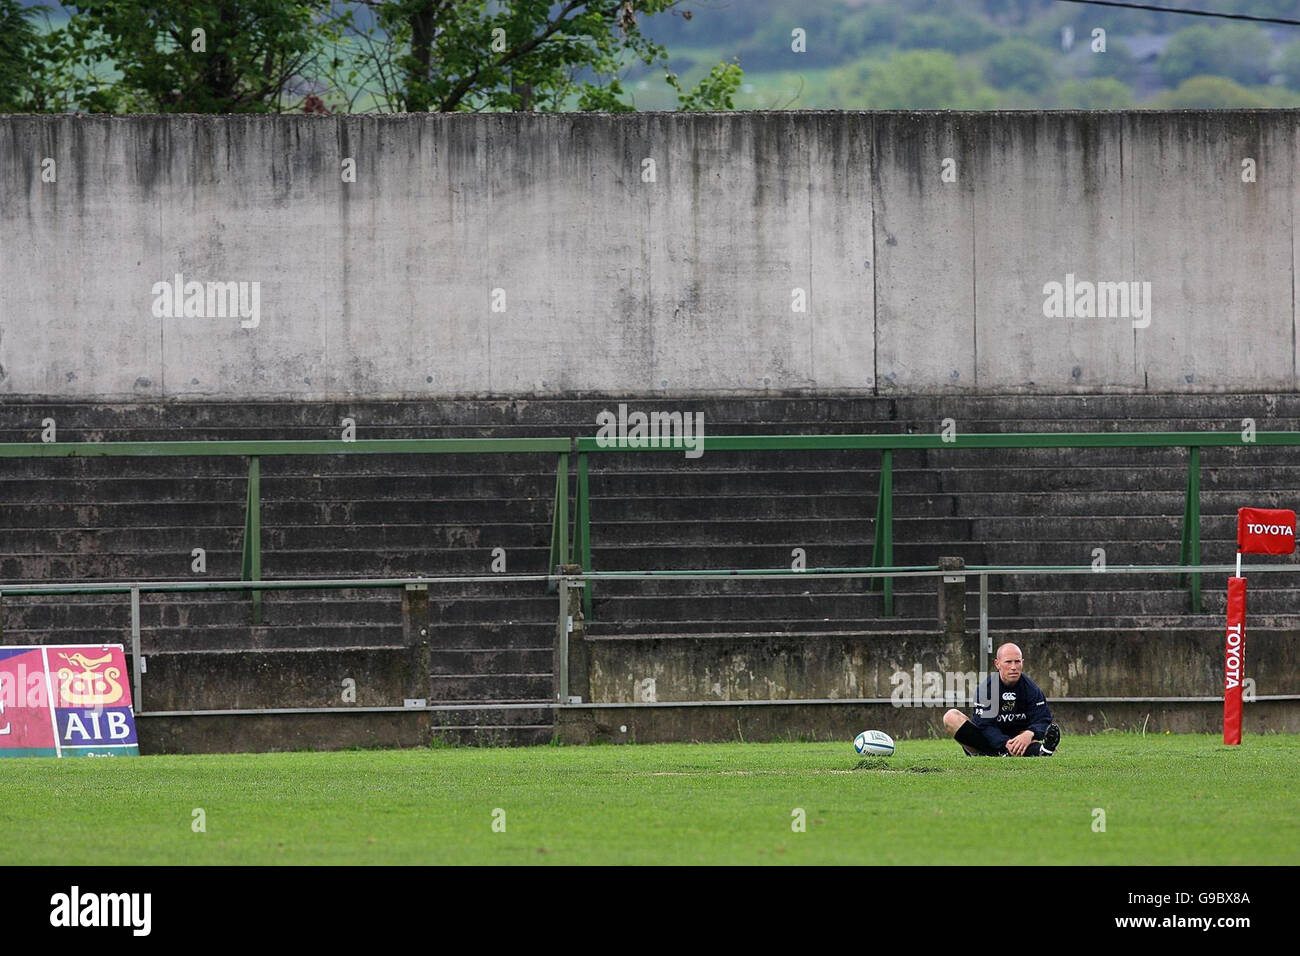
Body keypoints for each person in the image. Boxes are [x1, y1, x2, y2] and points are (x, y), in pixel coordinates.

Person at [942, 642, 1061, 756]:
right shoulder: (986, 689)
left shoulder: (1031, 689)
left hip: (1018, 740)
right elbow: (984, 725)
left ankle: (1041, 751)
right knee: (951, 717)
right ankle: (991, 754)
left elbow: (1043, 719)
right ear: (997, 664)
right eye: (1008, 662)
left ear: (1022, 663)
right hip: (989, 742)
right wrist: (1004, 743)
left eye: (1017, 661)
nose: (1013, 667)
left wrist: (1030, 733)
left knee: (1029, 736)